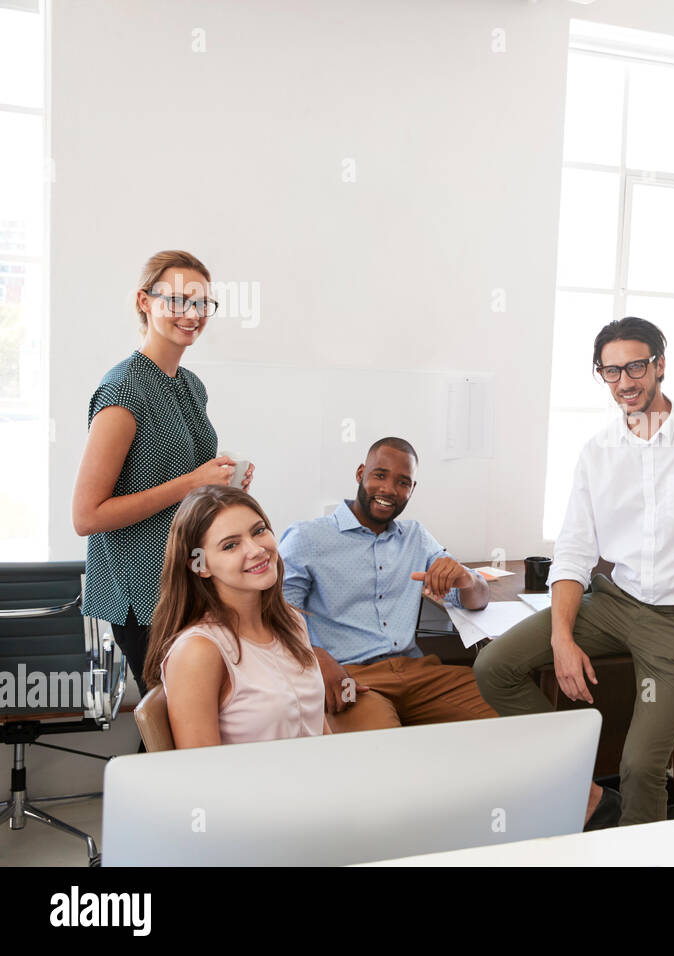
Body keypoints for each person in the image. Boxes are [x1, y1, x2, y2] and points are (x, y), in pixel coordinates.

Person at [474, 317, 674, 828]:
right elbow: (574, 551)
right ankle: (586, 790)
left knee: (641, 766)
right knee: (495, 668)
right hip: (613, 604)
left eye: (636, 366)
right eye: (611, 370)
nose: (625, 381)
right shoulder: (598, 451)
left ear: (660, 365)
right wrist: (560, 637)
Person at [73, 250, 252, 699]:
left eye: (201, 304)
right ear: (144, 301)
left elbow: (187, 485)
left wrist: (222, 489)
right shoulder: (122, 391)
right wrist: (192, 483)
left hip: (190, 585)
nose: (191, 315)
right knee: (178, 729)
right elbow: (87, 516)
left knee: (198, 721)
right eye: (176, 300)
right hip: (144, 597)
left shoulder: (190, 384)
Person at [278, 437, 497, 733]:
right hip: (350, 675)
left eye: (403, 482)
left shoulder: (415, 536)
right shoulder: (307, 538)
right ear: (360, 474)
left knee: (514, 717)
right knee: (383, 757)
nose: (389, 490)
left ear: (412, 489)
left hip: (419, 672)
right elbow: (276, 614)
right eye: (380, 475)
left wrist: (468, 579)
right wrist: (315, 656)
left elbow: (477, 600)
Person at [143, 486, 326, 747]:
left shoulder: (292, 621)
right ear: (201, 566)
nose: (256, 550)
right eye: (230, 545)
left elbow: (321, 731)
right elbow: (202, 772)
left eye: (259, 531)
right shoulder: (198, 651)